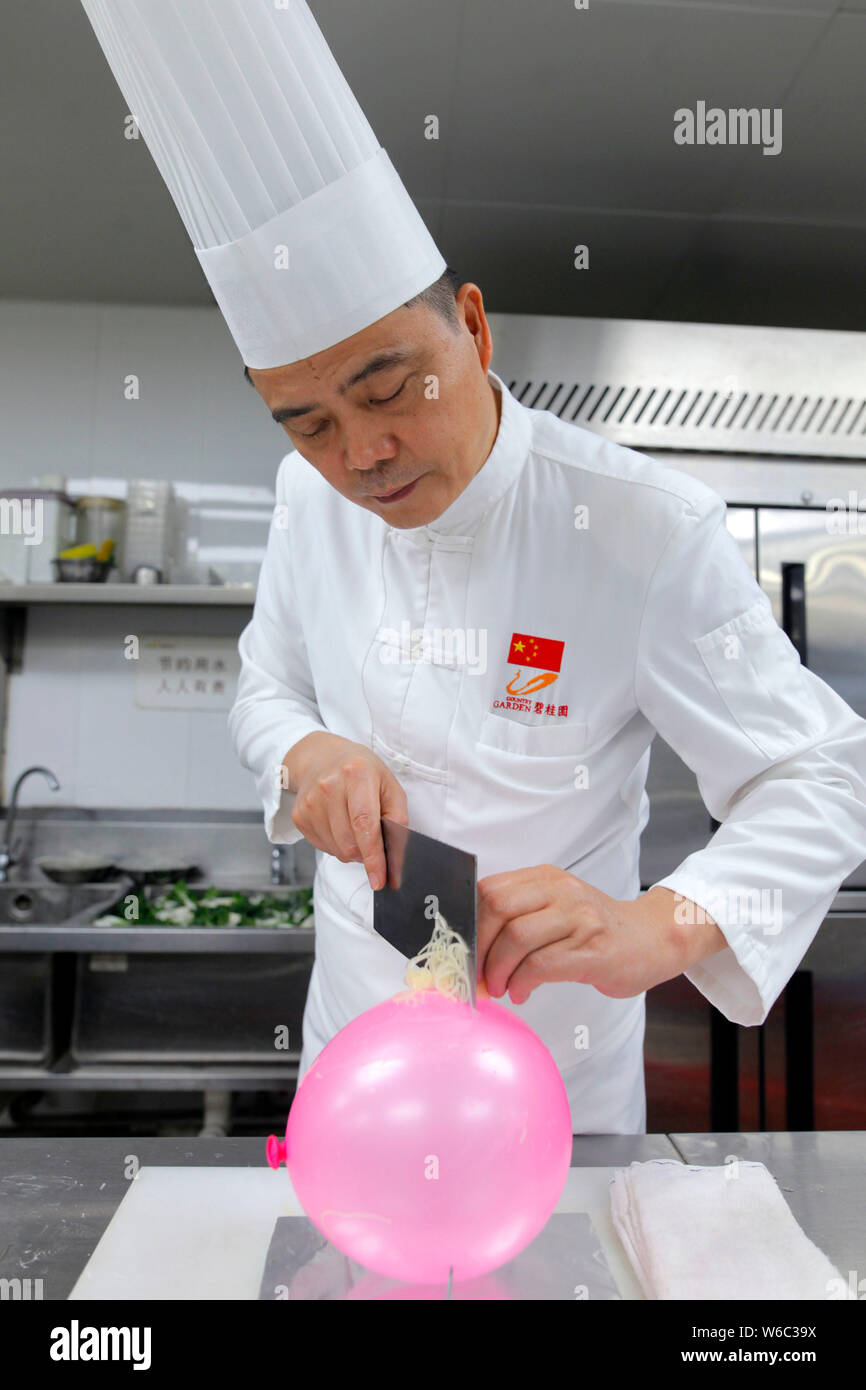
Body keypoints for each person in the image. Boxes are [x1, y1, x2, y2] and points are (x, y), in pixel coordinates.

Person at [230, 267, 866, 1132]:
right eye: (311, 427)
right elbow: (267, 690)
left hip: (558, 1083)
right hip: (354, 1063)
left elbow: (822, 771)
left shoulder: (644, 526)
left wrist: (661, 926)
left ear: (472, 325)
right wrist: (305, 756)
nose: (363, 455)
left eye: (387, 393)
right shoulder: (307, 498)